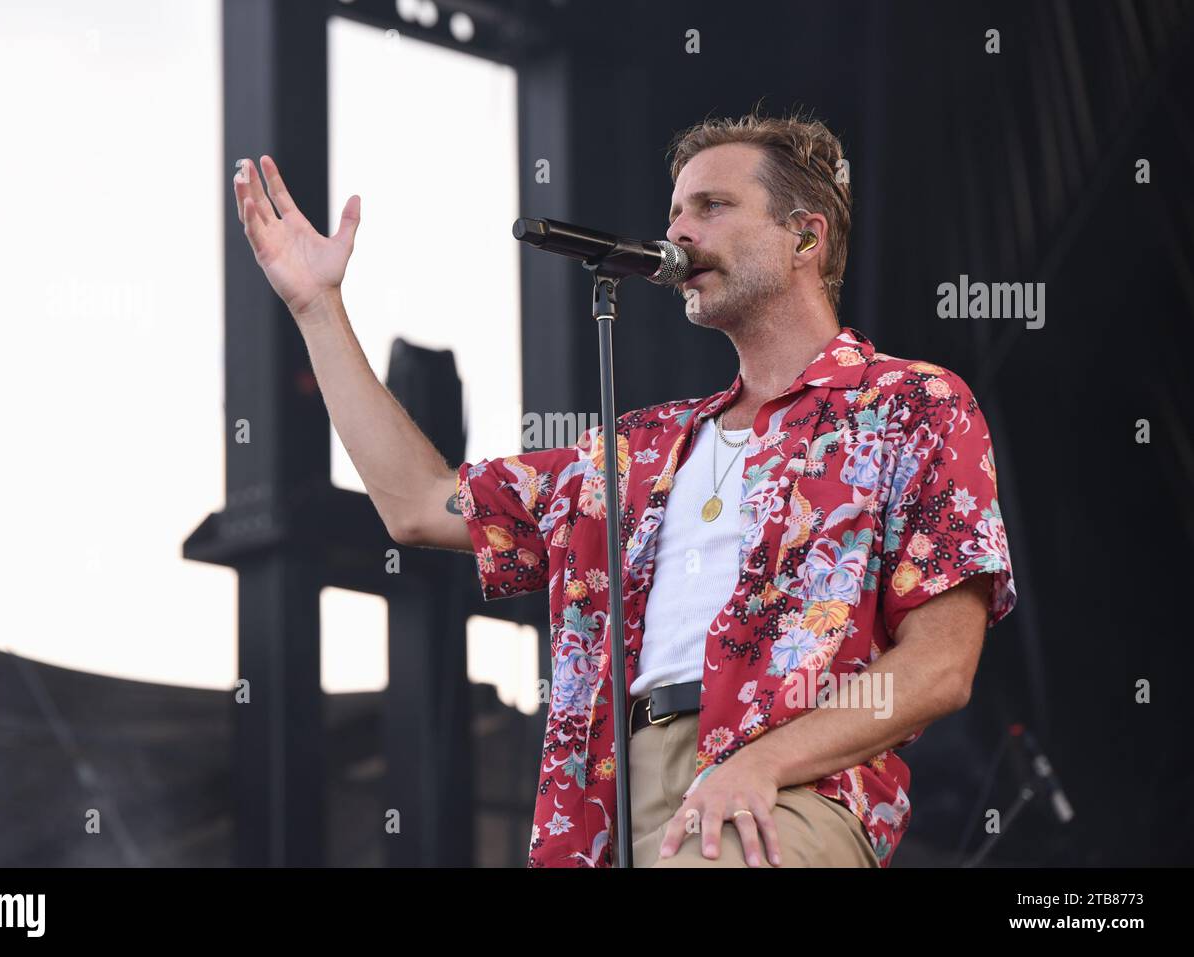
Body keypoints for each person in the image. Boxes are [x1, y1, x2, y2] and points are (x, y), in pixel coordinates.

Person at [232, 106, 1017, 868]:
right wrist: (317, 308)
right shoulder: (634, 452)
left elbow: (941, 665)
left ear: (805, 235)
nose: (678, 231)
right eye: (675, 210)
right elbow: (415, 503)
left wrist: (764, 762)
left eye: (713, 205)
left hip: (794, 791)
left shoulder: (912, 406)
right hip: (613, 801)